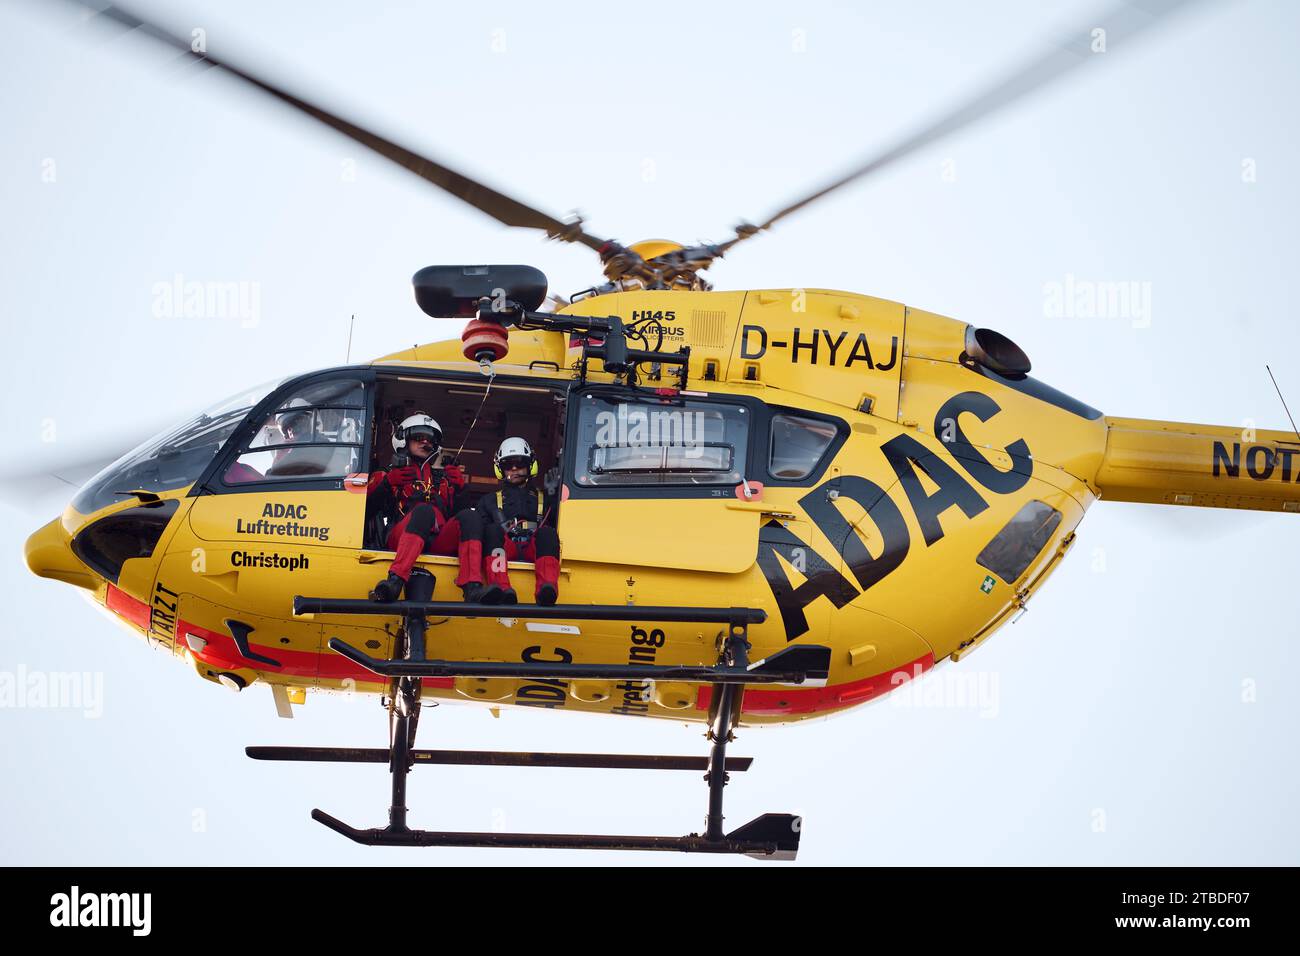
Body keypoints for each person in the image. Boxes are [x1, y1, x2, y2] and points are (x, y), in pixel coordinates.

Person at [367, 413, 502, 604]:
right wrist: (387, 485)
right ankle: (395, 581)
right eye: (418, 438)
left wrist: (462, 491)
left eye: (430, 439)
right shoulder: (386, 475)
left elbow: (458, 519)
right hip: (399, 539)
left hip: (437, 540)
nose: (425, 442)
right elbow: (365, 512)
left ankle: (472, 587)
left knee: (471, 517)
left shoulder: (444, 480)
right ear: (403, 439)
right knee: (424, 511)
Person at [479, 437, 560, 606]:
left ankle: (546, 589)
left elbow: (557, 520)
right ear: (500, 469)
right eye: (508, 465)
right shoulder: (489, 500)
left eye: (520, 463)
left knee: (548, 533)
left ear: (531, 466)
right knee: (492, 530)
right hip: (504, 548)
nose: (514, 469)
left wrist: (554, 493)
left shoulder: (545, 498)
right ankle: (500, 588)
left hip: (533, 547)